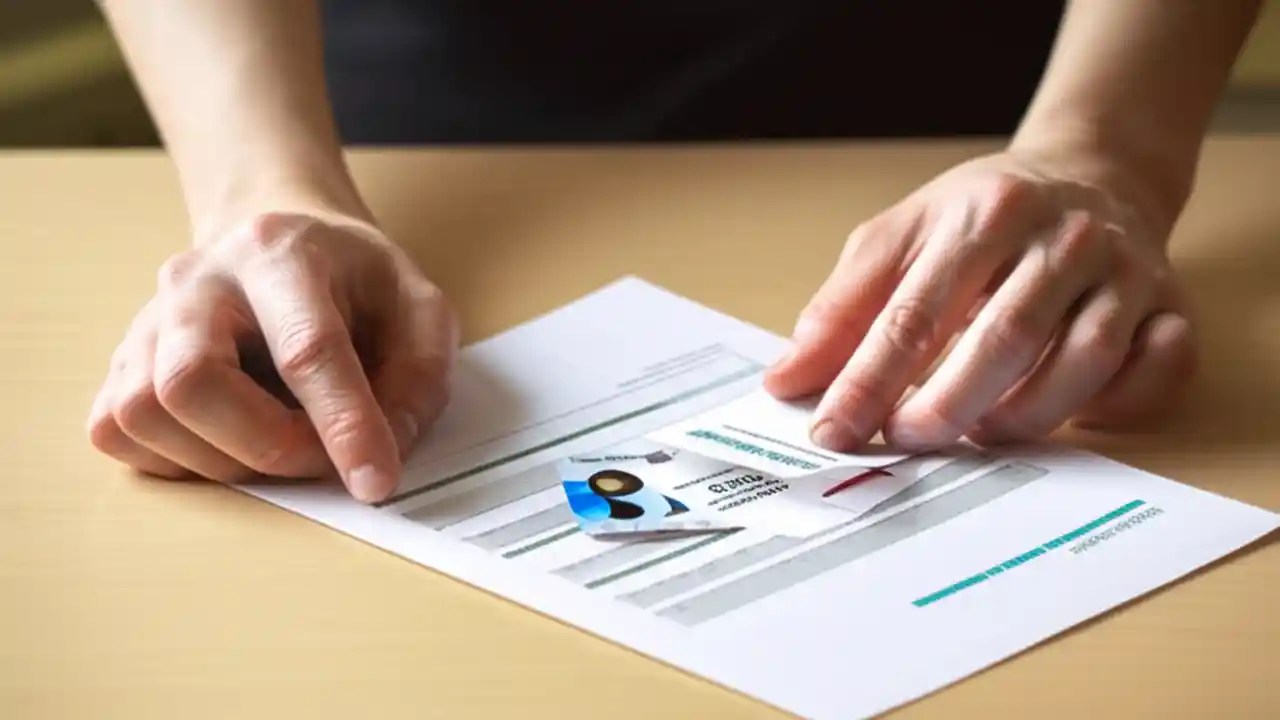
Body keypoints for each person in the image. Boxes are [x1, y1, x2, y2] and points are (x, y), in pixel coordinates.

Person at [87, 1, 1262, 503]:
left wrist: (1108, 153)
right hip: (405, 105)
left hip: (966, 97)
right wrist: (266, 187)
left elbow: (1092, 162)